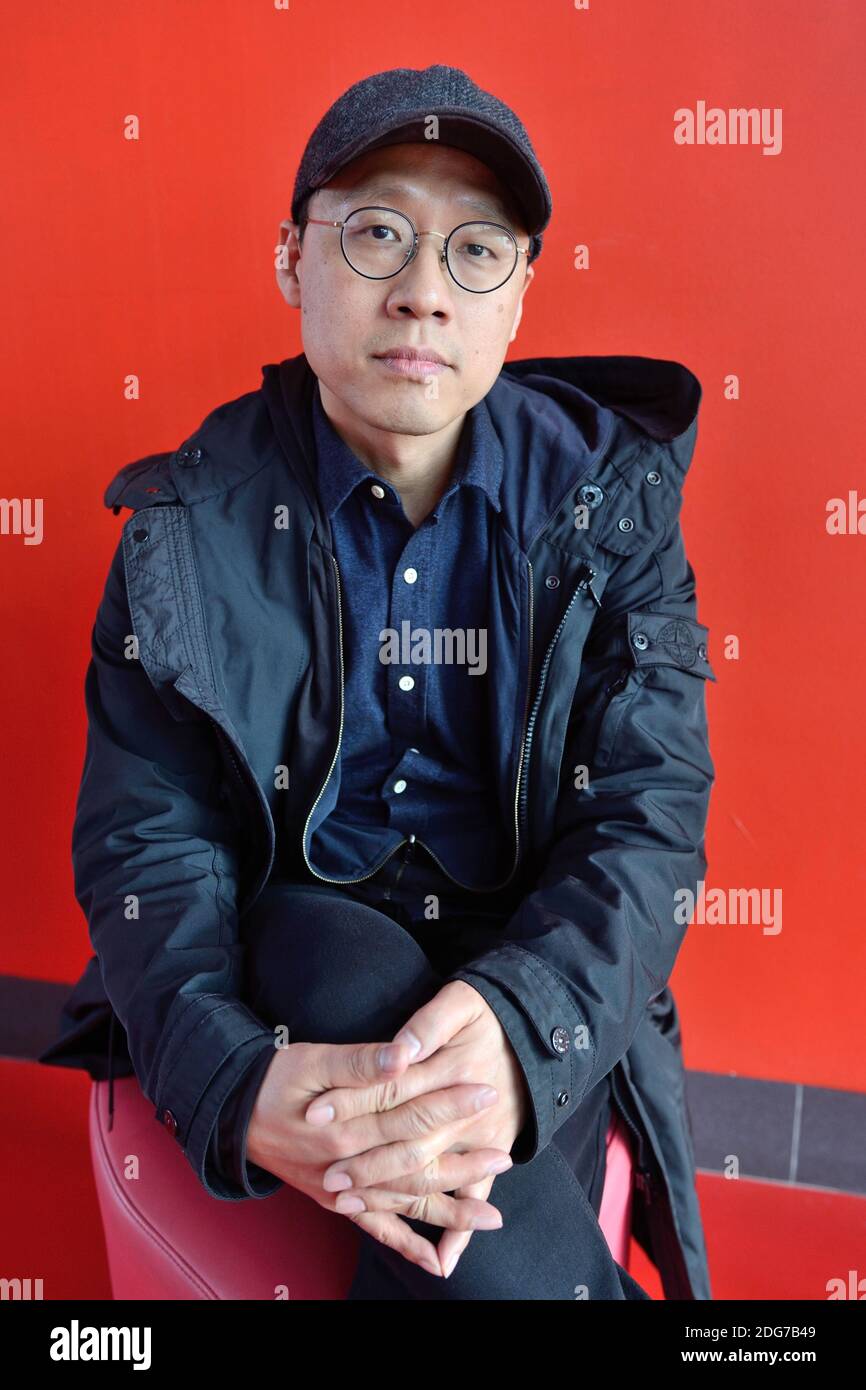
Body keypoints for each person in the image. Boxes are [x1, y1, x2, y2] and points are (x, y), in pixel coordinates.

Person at [39, 64, 716, 1301]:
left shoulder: (609, 510)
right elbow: (150, 843)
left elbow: (648, 818)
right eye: (375, 232)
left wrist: (521, 1028)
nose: (419, 292)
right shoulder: (186, 524)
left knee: (446, 1146)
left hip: (525, 949)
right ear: (294, 261)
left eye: (474, 251)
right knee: (348, 963)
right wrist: (234, 1077)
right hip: (292, 946)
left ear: (518, 297)